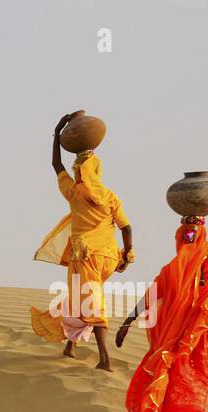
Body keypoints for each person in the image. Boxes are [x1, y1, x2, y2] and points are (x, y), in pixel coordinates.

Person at [116, 180, 208, 412]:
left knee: (165, 369)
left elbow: (149, 297)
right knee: (190, 372)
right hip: (199, 328)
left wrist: (127, 321)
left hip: (171, 330)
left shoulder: (170, 269)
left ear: (179, 239)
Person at [30, 112, 134, 370]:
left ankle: (105, 360)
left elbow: (57, 165)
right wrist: (127, 255)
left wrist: (57, 134)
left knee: (91, 303)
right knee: (81, 297)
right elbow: (126, 227)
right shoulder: (110, 196)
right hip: (108, 258)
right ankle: (70, 345)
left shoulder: (75, 192)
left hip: (85, 256)